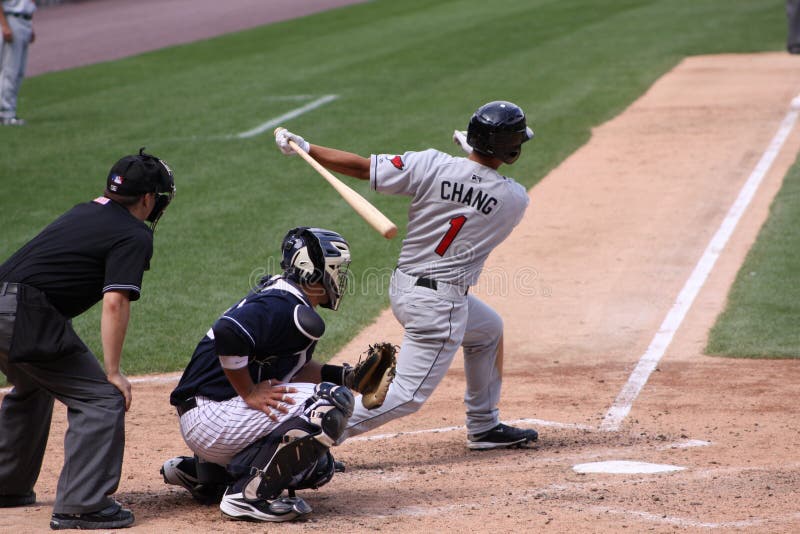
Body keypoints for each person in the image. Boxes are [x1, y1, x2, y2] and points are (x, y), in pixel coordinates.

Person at [274, 101, 539, 450]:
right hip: (439, 305)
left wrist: (307, 147)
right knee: (405, 396)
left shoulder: (430, 164)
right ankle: (300, 436)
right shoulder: (513, 200)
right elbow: (480, 185)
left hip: (405, 287)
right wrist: (472, 161)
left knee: (487, 330)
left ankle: (484, 425)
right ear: (512, 151)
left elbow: (362, 168)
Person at [0, 148, 175, 529]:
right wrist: (113, 371)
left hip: (6, 303)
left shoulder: (85, 211)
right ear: (147, 199)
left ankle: (6, 484)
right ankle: (83, 505)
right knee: (101, 399)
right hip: (25, 313)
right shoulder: (133, 234)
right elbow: (115, 302)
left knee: (32, 385)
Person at [160, 227, 356, 523]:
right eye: (337, 268)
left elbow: (295, 371)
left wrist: (348, 376)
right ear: (314, 268)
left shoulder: (288, 300)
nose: (340, 276)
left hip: (210, 414)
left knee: (318, 466)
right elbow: (228, 332)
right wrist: (249, 392)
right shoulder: (282, 305)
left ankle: (209, 475)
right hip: (214, 416)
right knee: (328, 405)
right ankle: (248, 496)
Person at [0, 0, 35, 126]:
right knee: (10, 70)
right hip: (11, 19)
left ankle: (10, 111)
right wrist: (4, 25)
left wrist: (31, 26)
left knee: (19, 72)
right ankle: (5, 113)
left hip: (25, 20)